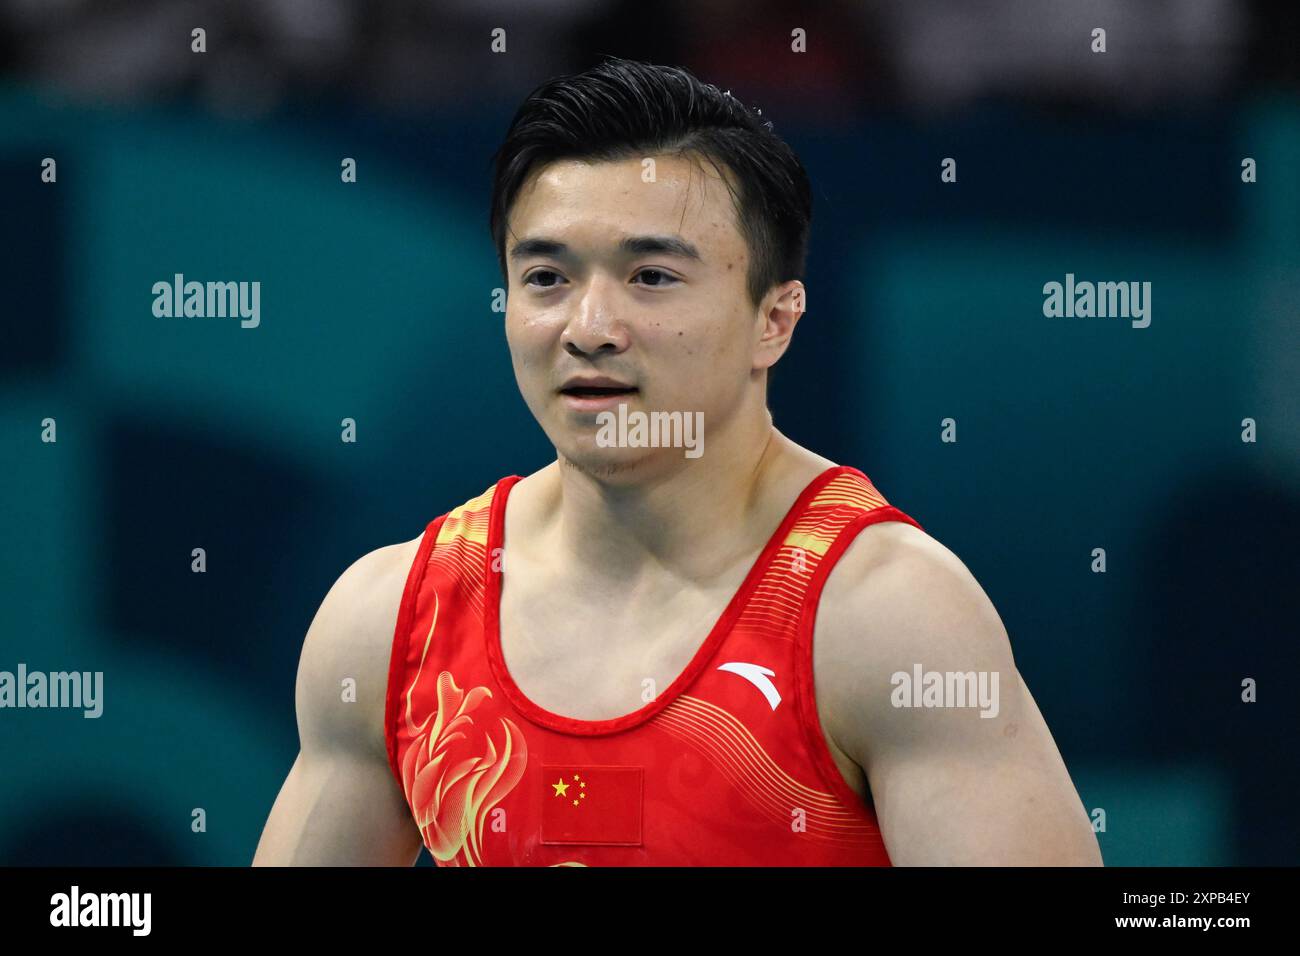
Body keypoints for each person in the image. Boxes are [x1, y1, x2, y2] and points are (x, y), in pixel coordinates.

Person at [253, 57, 1102, 866]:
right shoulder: (392, 621)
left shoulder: (888, 620)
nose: (588, 327)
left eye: (651, 276)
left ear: (775, 320)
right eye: (546, 276)